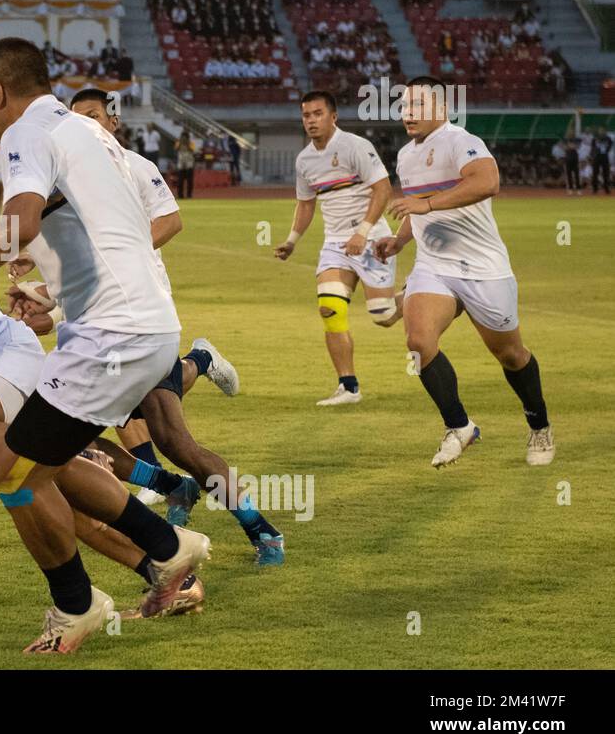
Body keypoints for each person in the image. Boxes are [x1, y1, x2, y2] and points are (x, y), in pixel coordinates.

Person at [0, 38, 211, 653]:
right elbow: (111, 235)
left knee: (13, 471)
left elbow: (19, 225)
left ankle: (78, 605)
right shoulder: (91, 135)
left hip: (113, 333)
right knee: (47, 460)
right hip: (134, 324)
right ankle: (168, 551)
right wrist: (57, 299)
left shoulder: (25, 133)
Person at [50, 87, 284, 565]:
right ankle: (173, 481)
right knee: (67, 430)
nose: (88, 127)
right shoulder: (66, 182)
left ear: (112, 122)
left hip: (138, 317)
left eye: (95, 117)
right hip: (92, 326)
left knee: (173, 441)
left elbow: (170, 221)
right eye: (79, 121)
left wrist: (118, 255)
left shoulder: (135, 167)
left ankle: (261, 531)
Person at [376, 77, 555, 467]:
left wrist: (429, 205)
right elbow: (417, 209)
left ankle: (539, 424)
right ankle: (459, 426)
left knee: (510, 355)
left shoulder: (462, 140)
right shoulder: (406, 155)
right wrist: (399, 241)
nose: (408, 113)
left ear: (441, 107)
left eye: (418, 105)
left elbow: (488, 182)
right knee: (419, 341)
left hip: (483, 269)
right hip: (434, 266)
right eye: (404, 106)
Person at [274, 91, 403, 406]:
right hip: (335, 244)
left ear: (333, 117)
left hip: (372, 240)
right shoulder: (304, 160)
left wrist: (363, 232)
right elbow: (305, 205)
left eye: (318, 114)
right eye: (306, 115)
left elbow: (383, 189)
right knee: (330, 309)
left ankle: (420, 292)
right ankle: (349, 387)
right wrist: (291, 241)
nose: (311, 121)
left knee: (383, 315)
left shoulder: (355, 146)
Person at [591, 127, 612, 195]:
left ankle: (606, 188)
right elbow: (593, 146)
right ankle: (595, 188)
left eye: (603, 130)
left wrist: (606, 150)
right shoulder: (595, 138)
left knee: (606, 173)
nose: (602, 132)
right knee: (595, 173)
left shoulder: (608, 138)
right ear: (599, 131)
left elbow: (610, 145)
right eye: (600, 130)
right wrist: (595, 152)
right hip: (597, 157)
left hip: (604, 156)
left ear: (605, 131)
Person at [175, 134, 196, 199]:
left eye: (185, 138)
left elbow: (192, 150)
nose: (184, 139)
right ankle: (180, 195)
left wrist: (187, 144)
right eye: (182, 138)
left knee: (189, 181)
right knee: (180, 180)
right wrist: (180, 143)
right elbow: (176, 149)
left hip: (189, 163)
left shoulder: (191, 143)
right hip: (181, 164)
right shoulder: (178, 143)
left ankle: (189, 195)